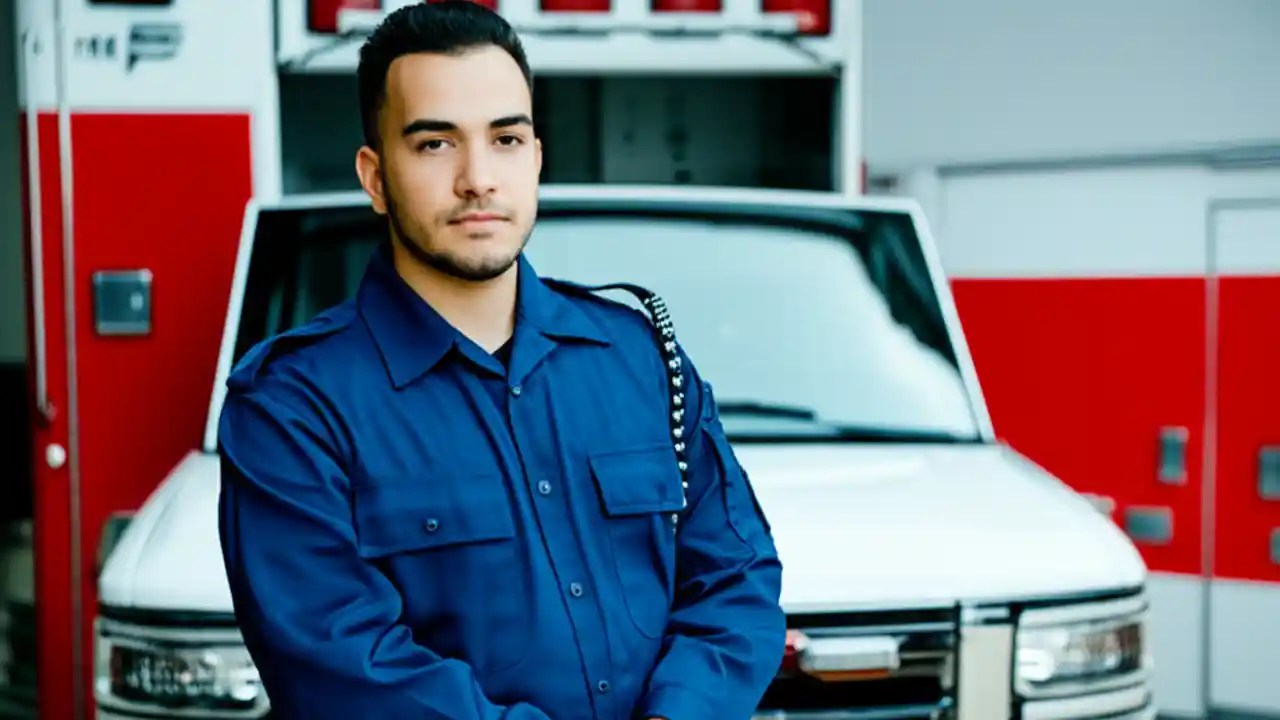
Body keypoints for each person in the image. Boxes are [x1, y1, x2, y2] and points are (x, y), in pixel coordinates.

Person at [215, 2, 785, 718]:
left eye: (506, 139)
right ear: (375, 175)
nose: (478, 177)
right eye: (434, 144)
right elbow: (342, 666)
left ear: (536, 159)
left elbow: (736, 581)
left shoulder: (639, 361)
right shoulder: (292, 406)